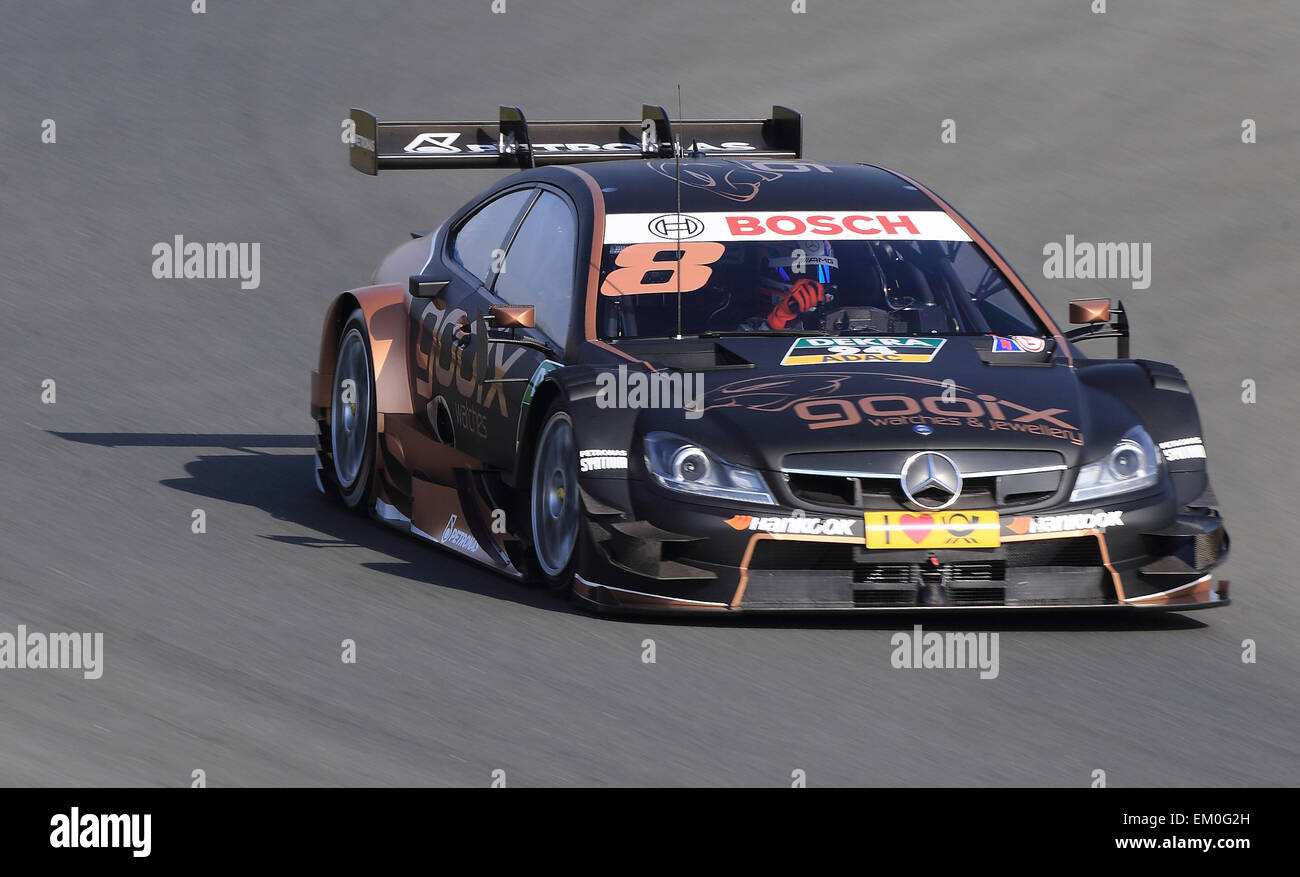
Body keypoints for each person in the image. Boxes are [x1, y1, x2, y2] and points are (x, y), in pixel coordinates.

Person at [738, 239, 837, 330]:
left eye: (815, 275)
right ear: (771, 273)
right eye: (801, 273)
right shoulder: (747, 323)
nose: (812, 284)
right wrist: (778, 322)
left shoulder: (836, 318)